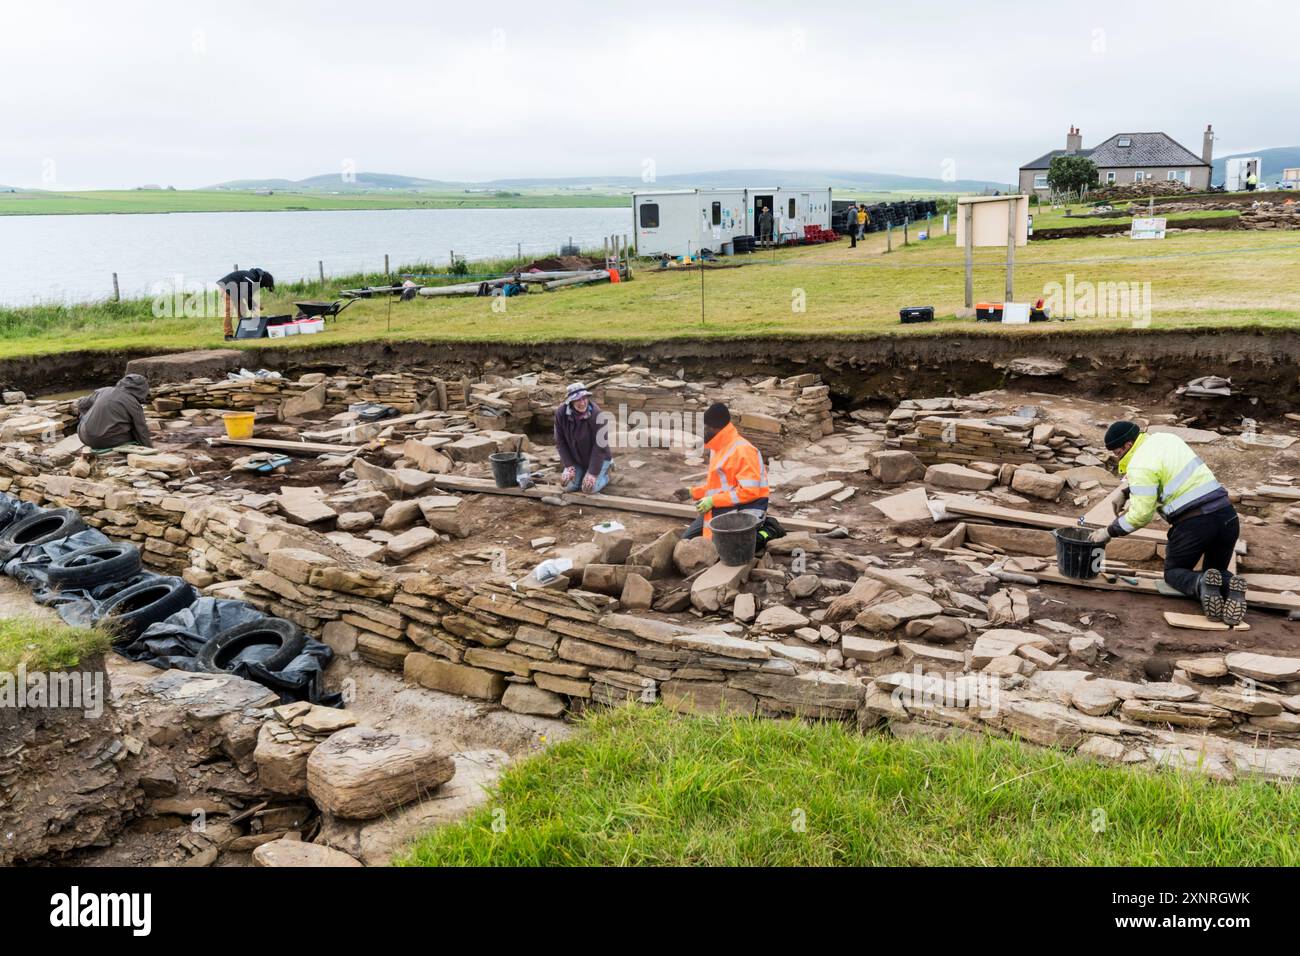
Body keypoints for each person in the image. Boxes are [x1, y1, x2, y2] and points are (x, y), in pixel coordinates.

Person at [1087, 420, 1245, 624]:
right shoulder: (1166, 439)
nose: (1117, 457)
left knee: (1174, 573)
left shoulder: (1139, 465)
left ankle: (1200, 584)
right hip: (1227, 516)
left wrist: (1109, 532)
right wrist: (1127, 491)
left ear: (1127, 445)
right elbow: (1167, 471)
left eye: (1117, 452)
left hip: (1195, 524)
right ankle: (1230, 585)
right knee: (1214, 573)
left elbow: (1141, 515)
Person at [684, 402, 769, 541]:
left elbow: (750, 492)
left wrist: (713, 501)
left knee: (719, 550)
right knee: (686, 541)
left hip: (745, 511)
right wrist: (693, 492)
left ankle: (765, 531)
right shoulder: (717, 448)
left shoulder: (743, 451)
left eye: (705, 427)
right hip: (723, 507)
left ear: (716, 428)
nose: (702, 431)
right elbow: (720, 487)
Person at [554, 382, 612, 494]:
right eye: (578, 400)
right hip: (578, 459)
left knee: (588, 489)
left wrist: (593, 473)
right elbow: (560, 442)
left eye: (584, 398)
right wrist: (569, 466)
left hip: (599, 458)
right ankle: (583, 472)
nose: (582, 403)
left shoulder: (598, 416)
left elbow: (599, 448)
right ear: (570, 401)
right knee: (567, 487)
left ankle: (606, 475)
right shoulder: (561, 413)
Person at [76, 373, 152, 450]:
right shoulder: (134, 404)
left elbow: (81, 405)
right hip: (109, 441)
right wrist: (149, 449)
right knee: (133, 432)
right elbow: (141, 431)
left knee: (85, 414)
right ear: (142, 390)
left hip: (84, 437)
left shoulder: (104, 390)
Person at [217, 267, 275, 340]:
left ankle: (242, 332)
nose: (262, 287)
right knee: (229, 311)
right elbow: (246, 294)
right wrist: (254, 306)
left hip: (235, 290)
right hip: (226, 287)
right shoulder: (250, 278)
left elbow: (246, 294)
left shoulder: (252, 277)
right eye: (264, 285)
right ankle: (228, 335)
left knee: (241, 310)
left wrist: (255, 305)